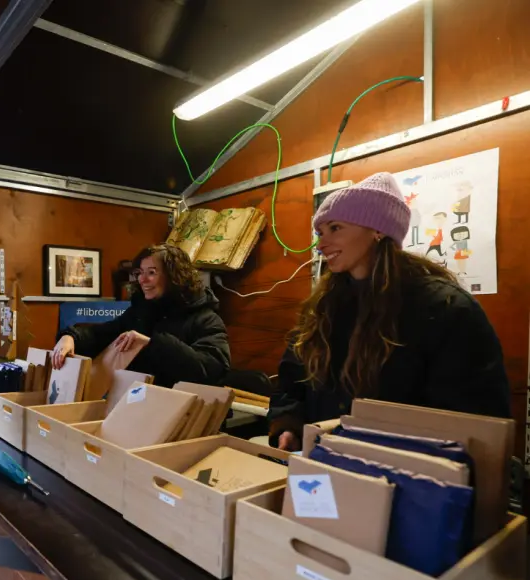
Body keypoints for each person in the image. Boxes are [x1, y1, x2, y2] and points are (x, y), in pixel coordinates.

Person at [268, 173, 510, 451]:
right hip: (322, 462)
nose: (321, 245)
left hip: (403, 471)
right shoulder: (322, 308)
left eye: (335, 228)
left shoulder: (445, 308)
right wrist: (288, 424)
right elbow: (292, 378)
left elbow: (475, 415)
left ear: (378, 230)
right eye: (320, 233)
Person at [52, 243, 230, 387]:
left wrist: (152, 343)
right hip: (139, 405)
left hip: (184, 412)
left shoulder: (206, 319)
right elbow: (102, 335)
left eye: (151, 272)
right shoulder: (140, 312)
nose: (142, 280)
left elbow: (211, 370)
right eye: (140, 273)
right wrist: (70, 337)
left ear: (175, 276)